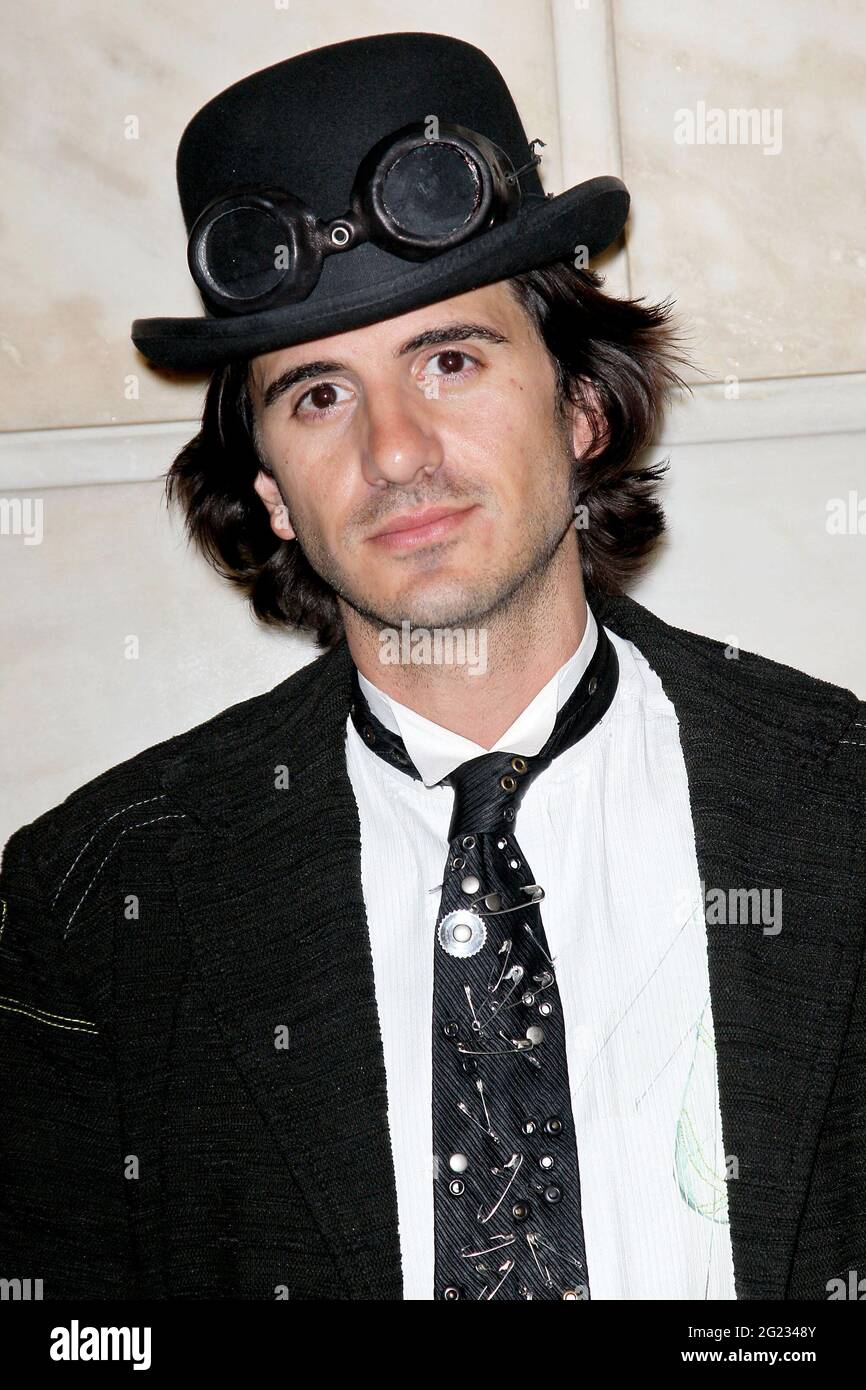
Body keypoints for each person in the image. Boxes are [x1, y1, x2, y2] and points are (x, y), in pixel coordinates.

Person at [1, 31, 863, 1303]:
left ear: (579, 408)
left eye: (448, 361)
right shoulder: (95, 904)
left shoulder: (839, 811)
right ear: (271, 494)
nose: (395, 452)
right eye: (316, 396)